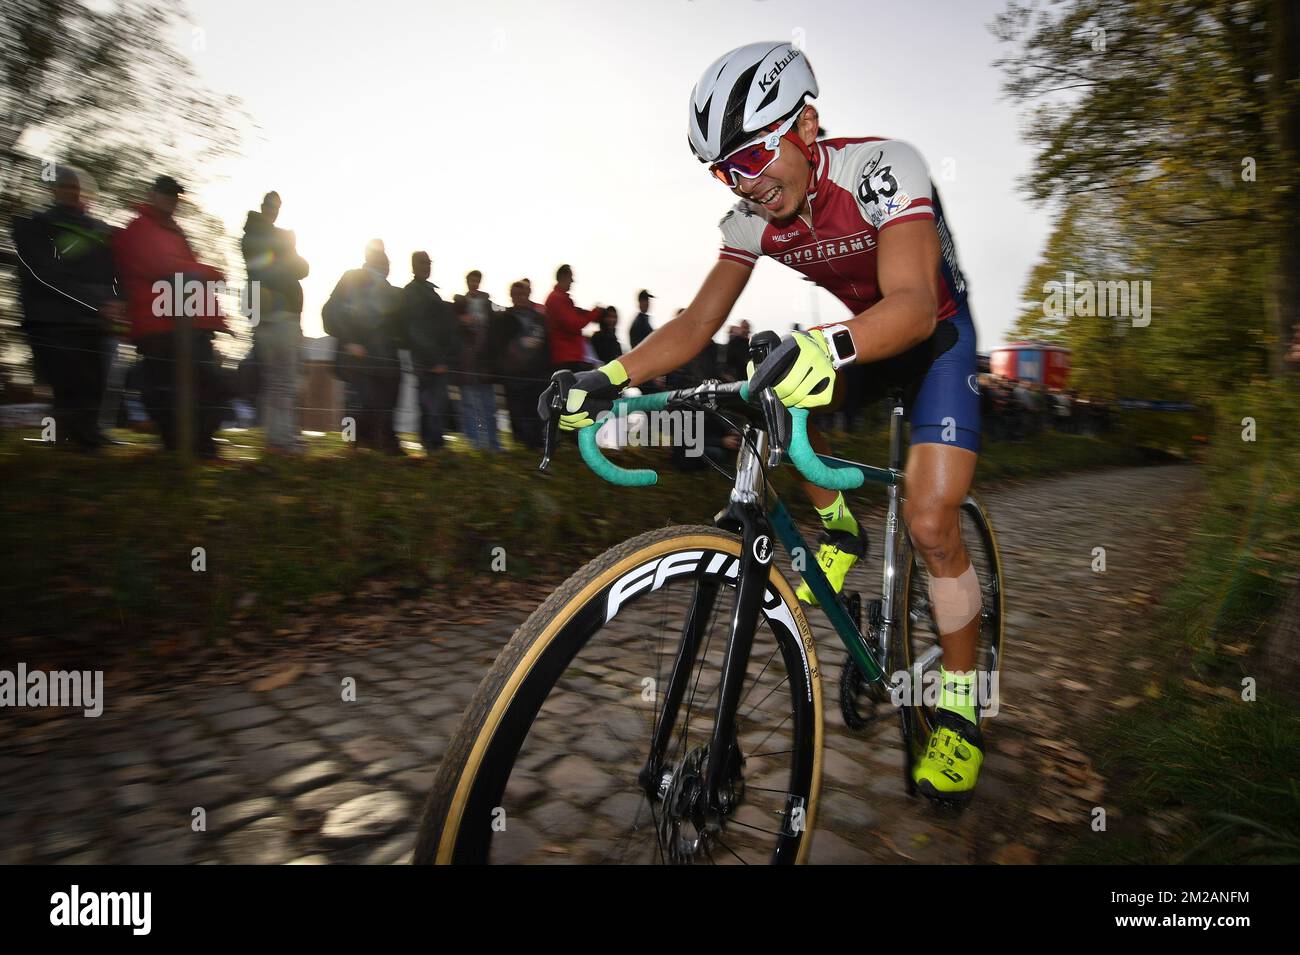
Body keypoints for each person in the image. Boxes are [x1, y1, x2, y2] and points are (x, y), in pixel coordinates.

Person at [540, 42, 986, 803]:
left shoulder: (883, 167)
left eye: (751, 156)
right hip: (867, 336)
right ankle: (839, 528)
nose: (744, 183)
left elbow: (911, 302)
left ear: (806, 125)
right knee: (763, 395)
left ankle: (962, 704)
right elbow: (694, 323)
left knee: (932, 520)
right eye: (724, 170)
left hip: (933, 334)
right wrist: (606, 376)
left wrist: (830, 343)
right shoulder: (749, 216)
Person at [113, 175, 229, 458]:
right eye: (166, 193)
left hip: (188, 322)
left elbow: (181, 271)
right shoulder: (140, 228)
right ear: (152, 194)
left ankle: (197, 446)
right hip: (159, 324)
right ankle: (180, 447)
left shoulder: (175, 231)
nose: (171, 199)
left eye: (175, 195)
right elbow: (163, 267)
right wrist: (210, 272)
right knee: (170, 387)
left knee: (206, 384)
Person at [11, 165, 121, 450]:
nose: (72, 193)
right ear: (54, 191)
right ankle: (59, 443)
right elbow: (46, 274)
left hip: (96, 320)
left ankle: (90, 436)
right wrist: (98, 304)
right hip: (55, 320)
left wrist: (119, 302)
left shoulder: (100, 230)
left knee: (97, 380)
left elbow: (116, 270)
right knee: (66, 384)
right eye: (65, 187)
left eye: (76, 188)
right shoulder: (39, 226)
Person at [241, 190, 309, 454]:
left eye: (277, 206)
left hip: (269, 313)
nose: (274, 210)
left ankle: (278, 437)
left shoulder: (256, 236)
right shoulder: (258, 236)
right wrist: (287, 245)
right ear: (263, 206)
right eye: (271, 206)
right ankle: (283, 440)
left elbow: (303, 268)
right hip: (279, 315)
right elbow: (292, 267)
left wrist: (286, 246)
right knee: (283, 380)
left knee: (275, 380)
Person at [321, 240, 404, 453]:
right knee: (359, 403)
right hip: (358, 356)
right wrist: (349, 341)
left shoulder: (388, 289)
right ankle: (352, 445)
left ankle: (381, 443)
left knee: (384, 403)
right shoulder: (352, 279)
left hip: (385, 359)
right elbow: (331, 312)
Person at [402, 251, 457, 452]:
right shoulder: (413, 293)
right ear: (414, 266)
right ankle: (433, 445)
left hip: (434, 357)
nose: (426, 266)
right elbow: (416, 329)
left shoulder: (428, 291)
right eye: (422, 263)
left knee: (435, 402)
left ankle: (434, 443)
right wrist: (435, 359)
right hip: (427, 359)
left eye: (428, 263)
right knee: (431, 403)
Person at [490, 280, 550, 449]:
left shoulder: (539, 318)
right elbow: (498, 345)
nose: (521, 298)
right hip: (514, 373)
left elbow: (546, 345)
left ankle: (537, 444)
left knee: (536, 410)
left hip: (536, 372)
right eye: (517, 294)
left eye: (524, 294)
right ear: (511, 296)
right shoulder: (503, 319)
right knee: (517, 411)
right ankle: (522, 445)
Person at [451, 297, 500, 451]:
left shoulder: (488, 331)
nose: (475, 315)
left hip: (483, 374)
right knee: (470, 409)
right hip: (467, 373)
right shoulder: (460, 329)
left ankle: (492, 444)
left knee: (489, 409)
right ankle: (476, 444)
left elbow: (491, 351)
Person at [544, 264, 597, 373]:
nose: (572, 281)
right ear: (563, 277)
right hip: (566, 357)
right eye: (570, 277)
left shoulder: (559, 298)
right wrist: (594, 313)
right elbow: (574, 324)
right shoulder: (557, 299)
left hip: (569, 356)